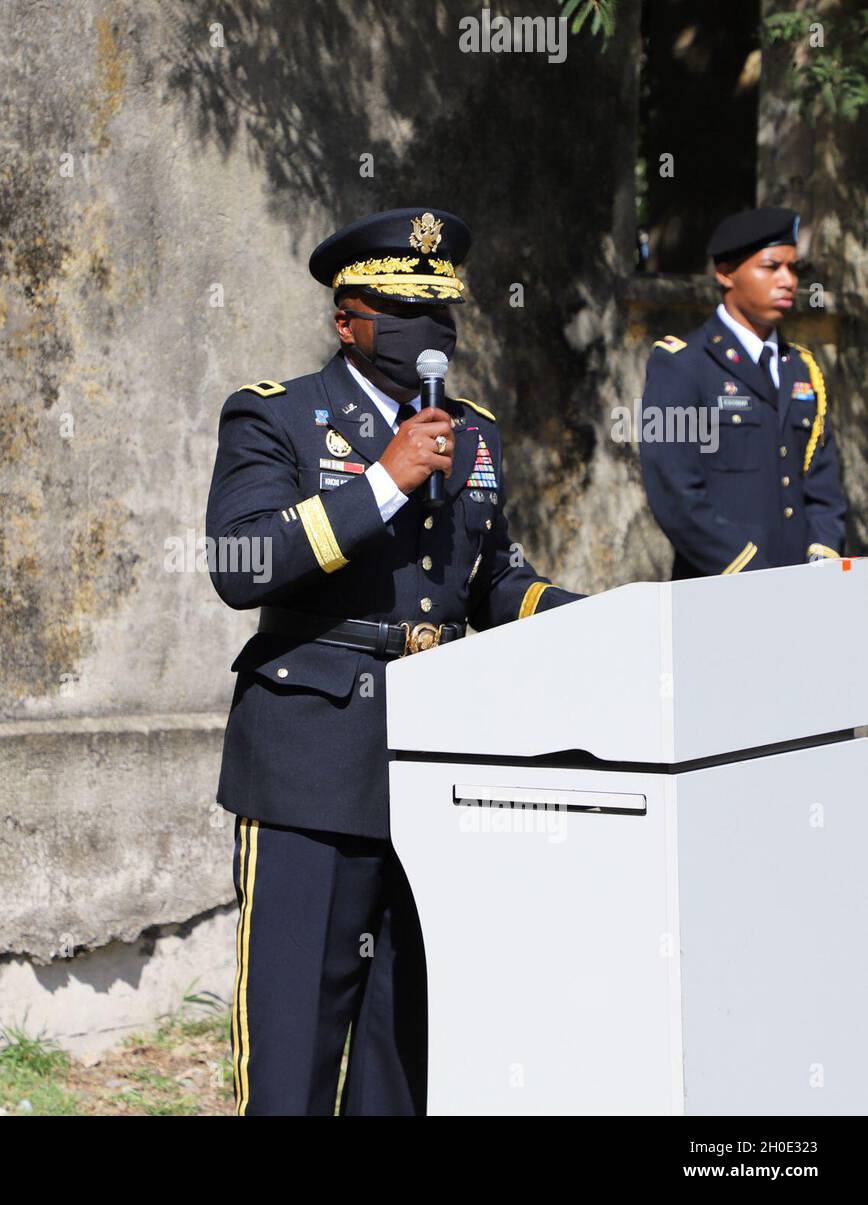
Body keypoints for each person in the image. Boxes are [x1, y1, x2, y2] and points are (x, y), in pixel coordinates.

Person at [205, 207, 583, 1115]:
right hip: (311, 764)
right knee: (293, 1048)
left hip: (436, 770)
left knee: (406, 1049)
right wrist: (385, 482)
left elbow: (495, 578)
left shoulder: (474, 434)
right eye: (407, 313)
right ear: (349, 319)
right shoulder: (278, 416)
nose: (433, 336)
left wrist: (582, 615)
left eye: (444, 313)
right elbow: (238, 563)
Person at [638, 206, 847, 578]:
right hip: (720, 587)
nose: (787, 281)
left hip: (804, 589)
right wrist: (747, 573)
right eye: (771, 267)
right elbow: (674, 491)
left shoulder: (803, 370)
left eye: (792, 268)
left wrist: (823, 560)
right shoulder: (681, 365)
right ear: (725, 273)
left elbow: (823, 487)